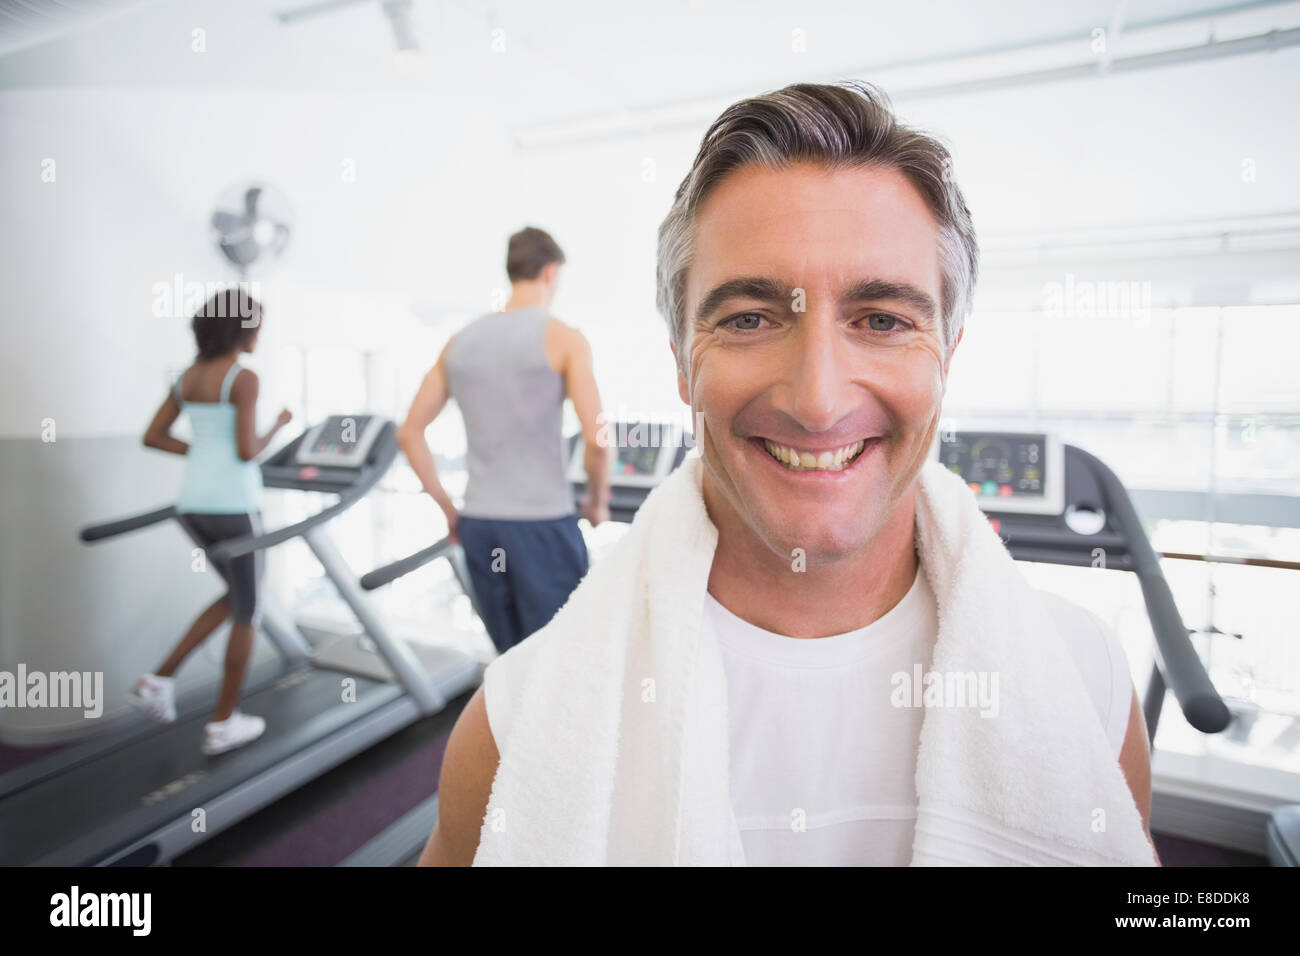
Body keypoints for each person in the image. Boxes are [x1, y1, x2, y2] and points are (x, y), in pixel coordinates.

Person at [419, 82, 1158, 866]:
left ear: (947, 356)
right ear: (680, 363)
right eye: (749, 318)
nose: (817, 401)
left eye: (882, 320)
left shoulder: (1087, 688)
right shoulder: (515, 725)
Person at [398, 227, 612, 654]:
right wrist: (598, 502)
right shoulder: (565, 338)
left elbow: (409, 433)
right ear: (550, 273)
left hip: (480, 525)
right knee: (561, 660)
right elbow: (599, 438)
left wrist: (450, 509)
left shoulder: (459, 342)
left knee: (511, 662)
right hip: (542, 525)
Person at [132, 288, 293, 756]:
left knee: (235, 595)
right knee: (250, 609)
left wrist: (200, 453)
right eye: (257, 325)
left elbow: (153, 436)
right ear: (242, 329)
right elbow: (247, 451)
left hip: (193, 506)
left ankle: (159, 679)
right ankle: (224, 722)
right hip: (234, 505)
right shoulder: (243, 378)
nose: (260, 333)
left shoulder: (189, 377)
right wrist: (280, 424)